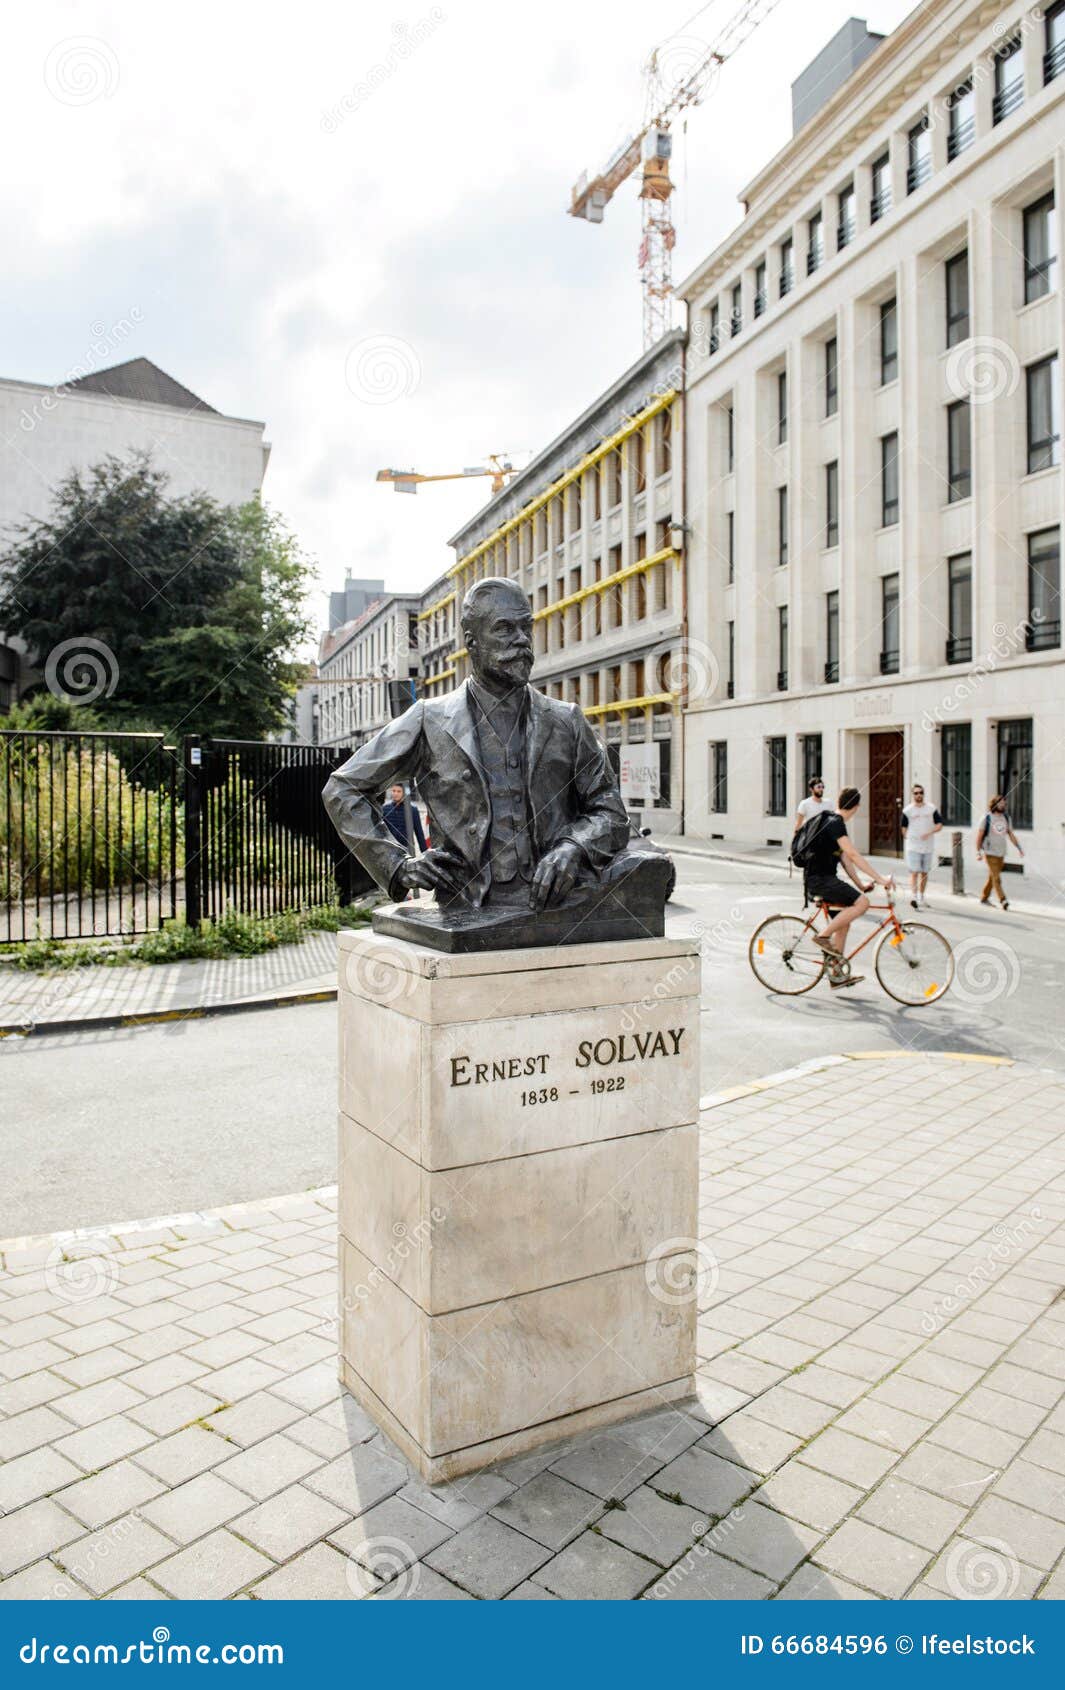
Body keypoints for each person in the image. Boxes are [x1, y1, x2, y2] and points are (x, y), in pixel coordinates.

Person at [803, 786, 895, 988]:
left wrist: (861, 883)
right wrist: (880, 879)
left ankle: (836, 976)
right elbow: (853, 854)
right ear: (856, 807)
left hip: (821, 878)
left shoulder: (832, 821)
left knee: (844, 924)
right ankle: (823, 936)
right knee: (862, 903)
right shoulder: (836, 823)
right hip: (821, 880)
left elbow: (845, 858)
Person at [977, 794, 1024, 909]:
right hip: (990, 852)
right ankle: (1003, 900)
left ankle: (984, 897)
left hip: (1001, 852)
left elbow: (1011, 834)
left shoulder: (1006, 818)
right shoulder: (986, 818)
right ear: (994, 804)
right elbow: (979, 836)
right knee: (997, 878)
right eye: (1000, 803)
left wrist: (1019, 848)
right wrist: (978, 852)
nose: (1003, 805)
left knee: (992, 877)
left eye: (1004, 803)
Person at [900, 782, 942, 910]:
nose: (919, 795)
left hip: (928, 845)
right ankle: (914, 896)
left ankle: (921, 896)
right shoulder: (908, 810)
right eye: (916, 793)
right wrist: (908, 837)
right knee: (914, 872)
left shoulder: (931, 808)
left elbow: (939, 824)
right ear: (913, 795)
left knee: (924, 872)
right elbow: (903, 827)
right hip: (913, 846)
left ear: (923, 794)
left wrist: (929, 833)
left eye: (921, 793)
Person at [381, 782, 426, 852]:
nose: (395, 793)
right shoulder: (385, 809)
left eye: (399, 791)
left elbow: (419, 833)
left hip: (407, 849)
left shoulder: (413, 810)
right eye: (394, 791)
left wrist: (425, 853)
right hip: (389, 849)